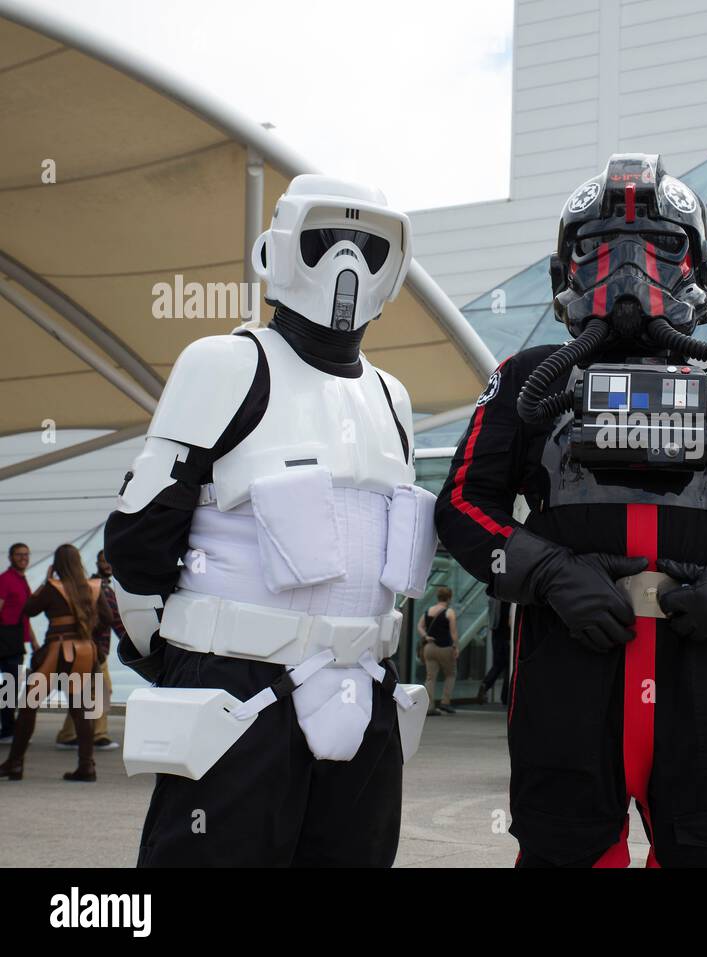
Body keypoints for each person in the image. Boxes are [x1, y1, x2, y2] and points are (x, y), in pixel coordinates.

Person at [434, 153, 707, 868]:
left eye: (659, 246)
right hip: (568, 671)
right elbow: (463, 505)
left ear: (698, 268)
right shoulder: (529, 379)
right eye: (600, 249)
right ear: (568, 268)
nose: (629, 270)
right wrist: (549, 572)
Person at [103, 175, 437, 866]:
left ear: (394, 266)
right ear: (277, 251)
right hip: (239, 693)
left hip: (364, 691)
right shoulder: (227, 363)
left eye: (369, 245)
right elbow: (138, 538)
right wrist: (177, 656)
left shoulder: (392, 397)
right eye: (327, 239)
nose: (347, 262)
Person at [0, 544, 110, 781]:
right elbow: (107, 619)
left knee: (29, 706)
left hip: (55, 654)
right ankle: (87, 766)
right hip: (84, 652)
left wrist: (45, 580)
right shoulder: (93, 587)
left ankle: (15, 764)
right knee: (81, 710)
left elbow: (28, 609)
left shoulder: (52, 588)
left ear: (58, 564)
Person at [56, 550, 127, 751]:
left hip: (91, 648)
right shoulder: (97, 587)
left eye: (109, 561)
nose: (106, 565)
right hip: (93, 649)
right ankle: (98, 735)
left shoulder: (101, 586)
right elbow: (111, 620)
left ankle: (68, 734)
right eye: (103, 561)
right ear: (96, 563)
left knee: (82, 693)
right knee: (102, 691)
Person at [0, 542, 35, 742]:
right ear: (11, 557)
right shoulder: (5, 580)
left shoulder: (22, 581)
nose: (23, 558)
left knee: (11, 685)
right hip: (6, 641)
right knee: (10, 685)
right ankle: (7, 730)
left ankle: (7, 728)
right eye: (19, 554)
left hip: (16, 642)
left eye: (26, 554)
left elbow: (25, 617)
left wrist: (35, 643)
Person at [419, 586, 459, 715]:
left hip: (429, 647)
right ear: (449, 597)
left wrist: (425, 636)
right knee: (450, 674)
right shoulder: (449, 612)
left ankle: (430, 706)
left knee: (430, 677)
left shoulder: (429, 610)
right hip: (445, 648)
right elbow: (453, 632)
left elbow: (420, 626)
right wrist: (456, 647)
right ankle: (445, 703)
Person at [477, 597, 512, 706]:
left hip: (496, 633)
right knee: (509, 666)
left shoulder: (494, 597)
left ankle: (485, 684)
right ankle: (505, 697)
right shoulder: (511, 599)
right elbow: (510, 620)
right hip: (507, 636)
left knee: (497, 664)